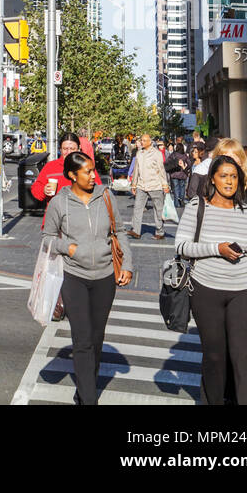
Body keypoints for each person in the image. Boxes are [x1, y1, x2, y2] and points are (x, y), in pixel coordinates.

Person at [175, 155, 247, 405]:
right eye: (223, 176)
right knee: (214, 357)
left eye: (234, 176)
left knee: (243, 358)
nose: (229, 181)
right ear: (212, 178)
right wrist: (216, 248)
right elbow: (181, 246)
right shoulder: (197, 207)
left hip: (244, 292)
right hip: (206, 290)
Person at [41, 151, 133, 405]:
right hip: (74, 276)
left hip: (104, 276)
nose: (93, 176)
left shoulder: (105, 196)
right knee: (82, 339)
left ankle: (84, 389)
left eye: (93, 171)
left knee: (96, 338)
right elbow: (47, 238)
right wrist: (68, 248)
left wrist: (127, 264)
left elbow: (120, 232)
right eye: (87, 172)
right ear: (72, 175)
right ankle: (89, 398)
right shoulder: (60, 203)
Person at [31, 133, 101, 203]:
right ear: (60, 149)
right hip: (56, 212)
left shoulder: (87, 166)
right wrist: (44, 190)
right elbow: (35, 189)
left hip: (80, 211)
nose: (69, 152)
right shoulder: (50, 167)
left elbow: (99, 191)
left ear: (79, 148)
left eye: (72, 149)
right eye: (65, 149)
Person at [128, 132, 170, 240]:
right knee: (137, 208)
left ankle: (160, 232)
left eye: (144, 140)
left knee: (158, 210)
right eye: (141, 140)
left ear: (150, 142)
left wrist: (165, 184)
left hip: (155, 185)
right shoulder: (139, 153)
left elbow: (161, 170)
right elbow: (136, 169)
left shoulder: (157, 154)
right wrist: (134, 185)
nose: (141, 142)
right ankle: (136, 231)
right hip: (141, 186)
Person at [166, 140, 190, 210]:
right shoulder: (185, 156)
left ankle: (176, 203)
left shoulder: (173, 154)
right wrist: (185, 167)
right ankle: (181, 200)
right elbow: (189, 164)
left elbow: (167, 162)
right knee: (182, 188)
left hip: (174, 174)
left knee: (176, 189)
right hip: (182, 174)